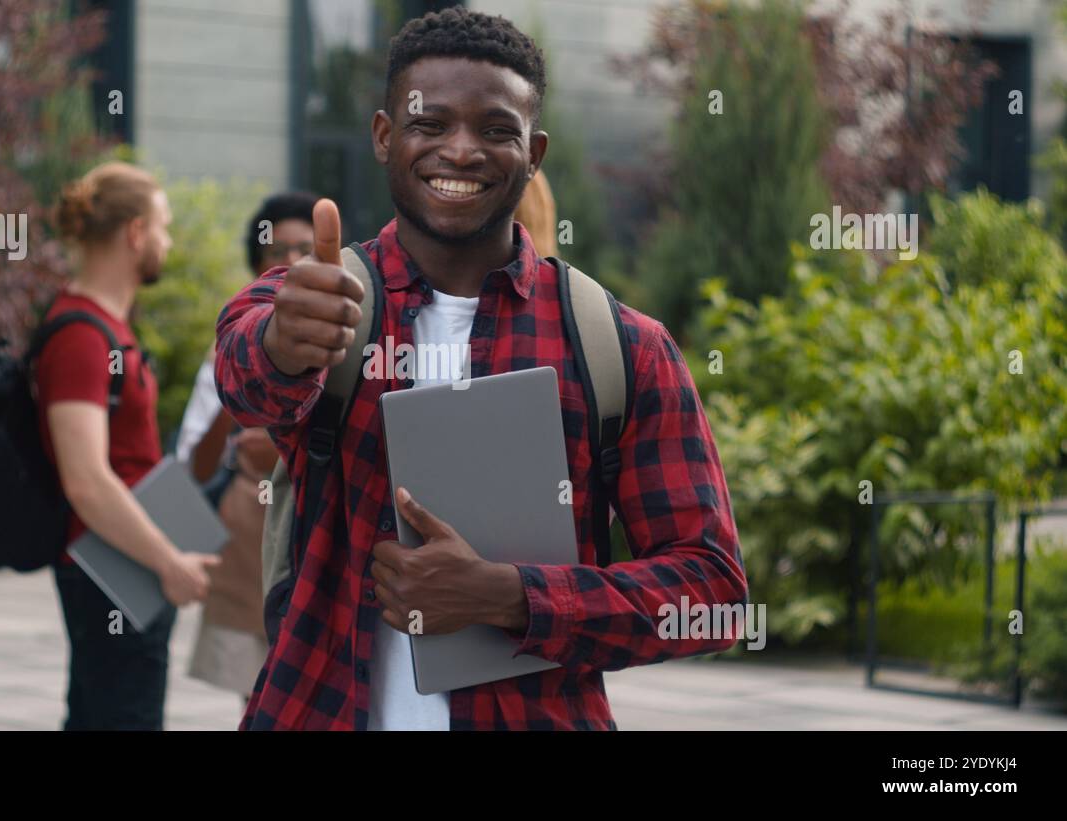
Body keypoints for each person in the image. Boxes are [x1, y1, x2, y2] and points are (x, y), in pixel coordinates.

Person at [214, 7, 747, 730]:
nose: (461, 151)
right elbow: (244, 371)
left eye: (496, 129)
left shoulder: (620, 346)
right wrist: (283, 344)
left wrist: (512, 597)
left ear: (535, 152)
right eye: (429, 124)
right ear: (383, 136)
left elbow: (712, 594)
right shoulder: (320, 301)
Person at [37, 161, 220, 730]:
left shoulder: (102, 326)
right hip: (111, 568)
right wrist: (169, 562)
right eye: (163, 227)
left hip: (128, 562)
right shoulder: (81, 337)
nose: (167, 242)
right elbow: (86, 480)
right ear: (135, 232)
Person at [176, 192, 319, 700]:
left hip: (321, 543)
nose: (292, 261)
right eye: (278, 250)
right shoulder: (229, 345)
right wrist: (234, 387)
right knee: (255, 699)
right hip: (248, 546)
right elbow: (195, 468)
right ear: (259, 263)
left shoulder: (356, 338)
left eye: (305, 248)